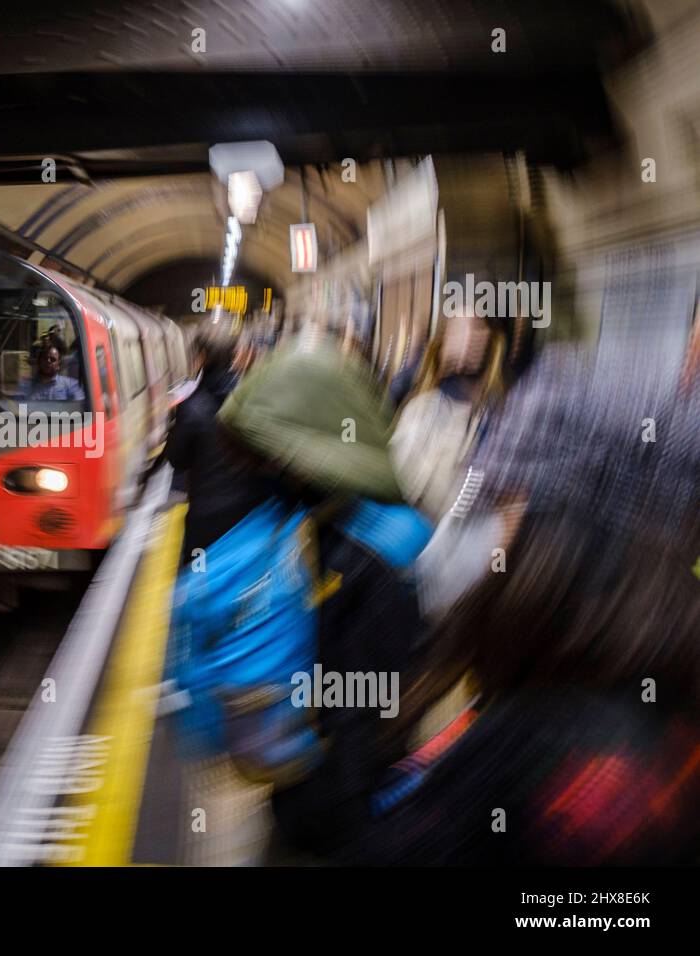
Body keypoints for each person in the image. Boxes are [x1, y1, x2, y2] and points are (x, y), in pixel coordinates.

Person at [357, 346, 700, 864]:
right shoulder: (653, 703)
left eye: (507, 506)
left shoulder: (538, 751)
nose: (496, 542)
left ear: (568, 538)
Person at [209, 338, 433, 858]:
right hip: (313, 787)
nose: (272, 471)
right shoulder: (334, 522)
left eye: (282, 459)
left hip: (342, 808)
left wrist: (336, 826)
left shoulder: (373, 553)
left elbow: (364, 710)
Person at [389, 304, 507, 522]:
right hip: (408, 530)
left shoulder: (494, 420)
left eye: (476, 328)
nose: (468, 338)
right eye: (459, 329)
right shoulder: (419, 407)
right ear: (443, 342)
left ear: (490, 342)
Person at [164, 328, 269, 564]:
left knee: (199, 583)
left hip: (207, 520)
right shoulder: (253, 398)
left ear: (201, 356)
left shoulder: (194, 406)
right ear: (234, 355)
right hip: (251, 516)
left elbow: (177, 459)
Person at [18, 339, 84, 401]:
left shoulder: (71, 386)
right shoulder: (25, 385)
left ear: (58, 365)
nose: (48, 361)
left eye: (53, 359)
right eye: (45, 358)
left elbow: (80, 408)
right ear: (38, 362)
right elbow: (18, 409)